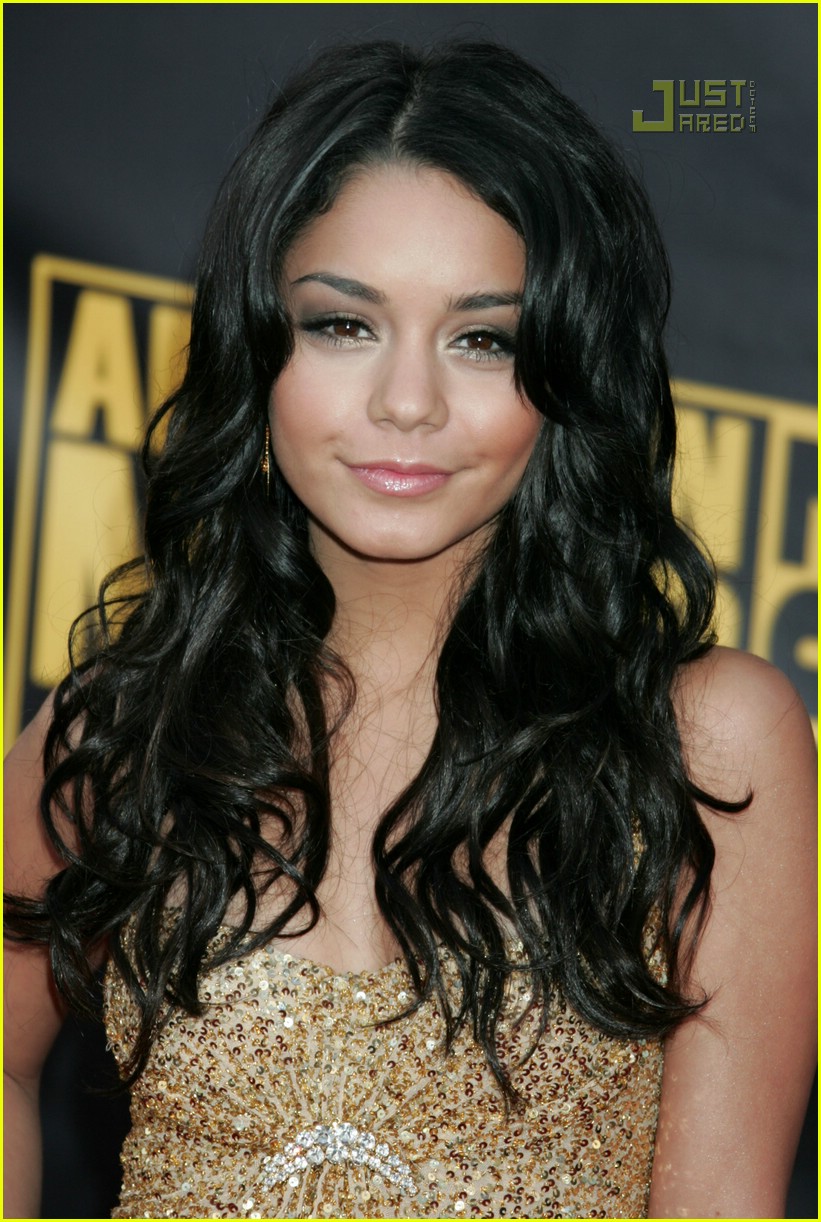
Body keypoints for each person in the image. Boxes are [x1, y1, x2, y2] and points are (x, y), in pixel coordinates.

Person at [4, 40, 816, 1221]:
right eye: (343, 324)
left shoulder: (702, 742)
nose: (405, 402)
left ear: (562, 375)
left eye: (481, 338)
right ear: (258, 345)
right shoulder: (129, 725)